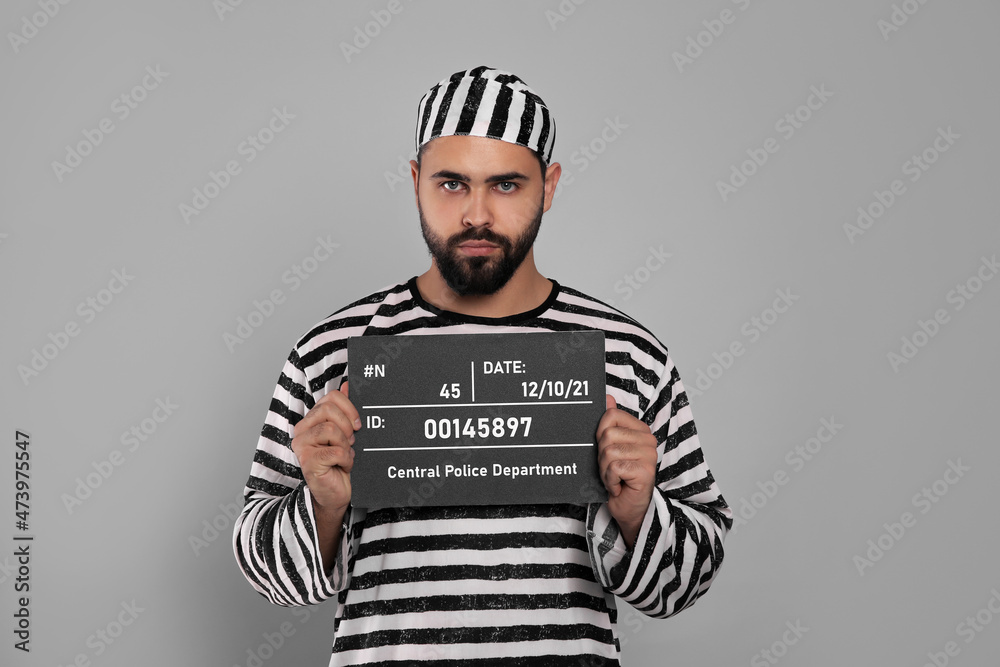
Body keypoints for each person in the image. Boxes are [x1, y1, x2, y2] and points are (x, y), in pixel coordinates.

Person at [233, 65, 732, 666]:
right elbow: (266, 576)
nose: (475, 215)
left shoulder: (627, 353)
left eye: (505, 185)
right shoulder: (333, 350)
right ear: (415, 181)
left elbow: (688, 579)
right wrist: (322, 506)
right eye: (451, 184)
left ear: (548, 187)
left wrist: (638, 511)